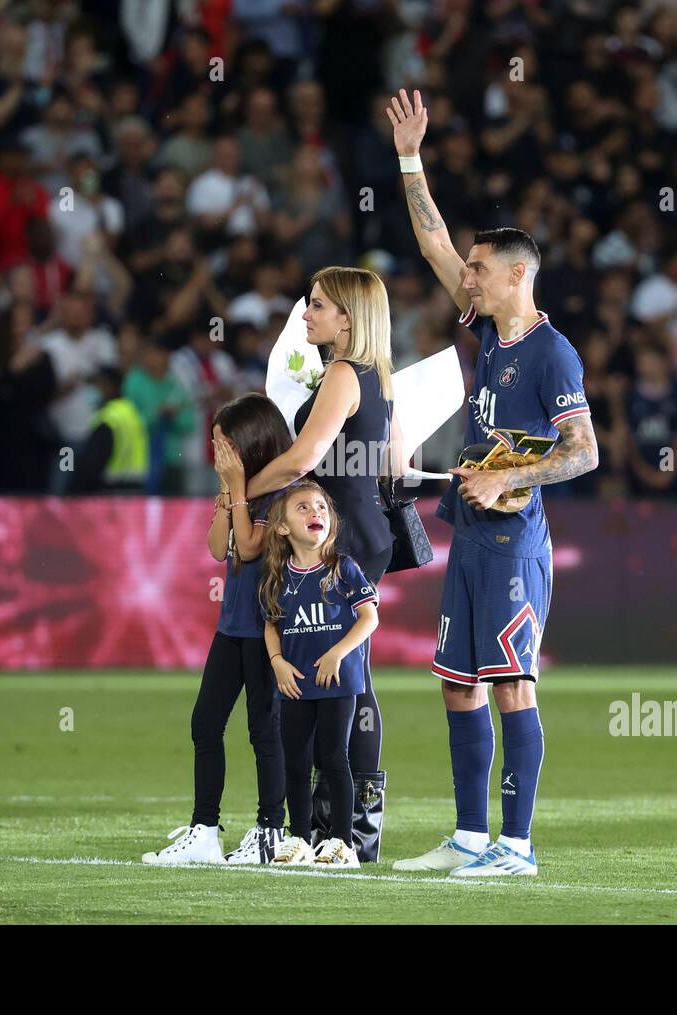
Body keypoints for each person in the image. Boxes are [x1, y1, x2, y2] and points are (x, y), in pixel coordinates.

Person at [386, 89, 599, 876]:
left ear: (515, 276)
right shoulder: (485, 326)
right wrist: (410, 157)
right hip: (472, 538)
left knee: (513, 686)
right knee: (457, 687)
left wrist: (512, 478)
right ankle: (471, 836)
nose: (464, 277)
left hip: (513, 542)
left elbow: (584, 452)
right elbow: (435, 238)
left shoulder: (553, 355)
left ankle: (518, 845)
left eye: (479, 269)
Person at [244, 266, 399, 862]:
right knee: (350, 679)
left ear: (348, 318)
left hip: (338, 538)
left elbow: (306, 455)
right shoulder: (379, 374)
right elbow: (395, 458)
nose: (305, 315)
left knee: (341, 681)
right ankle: (351, 828)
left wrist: (244, 488)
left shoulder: (340, 371)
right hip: (360, 528)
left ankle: (338, 831)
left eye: (317, 305)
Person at [142, 393, 294, 865]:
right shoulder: (239, 487)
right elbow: (217, 547)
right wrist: (229, 493)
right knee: (205, 722)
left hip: (267, 627)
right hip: (231, 624)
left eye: (224, 445)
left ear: (250, 444)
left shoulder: (284, 493)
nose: (216, 454)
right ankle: (205, 828)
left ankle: (271, 828)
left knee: (263, 730)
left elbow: (249, 547)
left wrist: (238, 490)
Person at [259, 480, 379, 867]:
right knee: (295, 762)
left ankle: (342, 843)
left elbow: (369, 617)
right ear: (282, 528)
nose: (316, 514)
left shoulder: (342, 568)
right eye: (304, 509)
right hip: (295, 684)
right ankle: (299, 839)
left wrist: (338, 654)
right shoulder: (278, 575)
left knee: (333, 758)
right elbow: (271, 625)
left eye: (322, 508)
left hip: (337, 682)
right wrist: (277, 661)